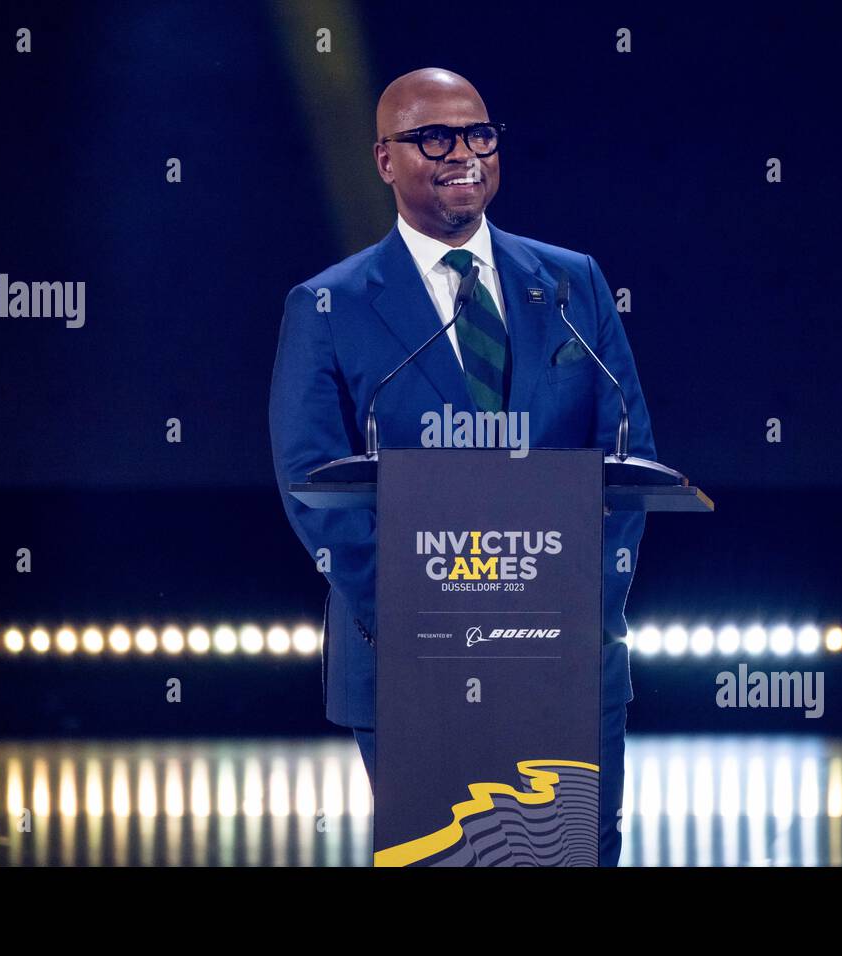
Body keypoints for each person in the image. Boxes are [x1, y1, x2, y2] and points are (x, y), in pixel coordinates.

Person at [269, 67, 657, 866]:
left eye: (479, 134)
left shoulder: (572, 283)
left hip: (565, 655)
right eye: (434, 138)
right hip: (409, 664)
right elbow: (315, 488)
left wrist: (574, 598)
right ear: (384, 160)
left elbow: (627, 462)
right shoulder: (328, 305)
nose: (464, 154)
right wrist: (425, 619)